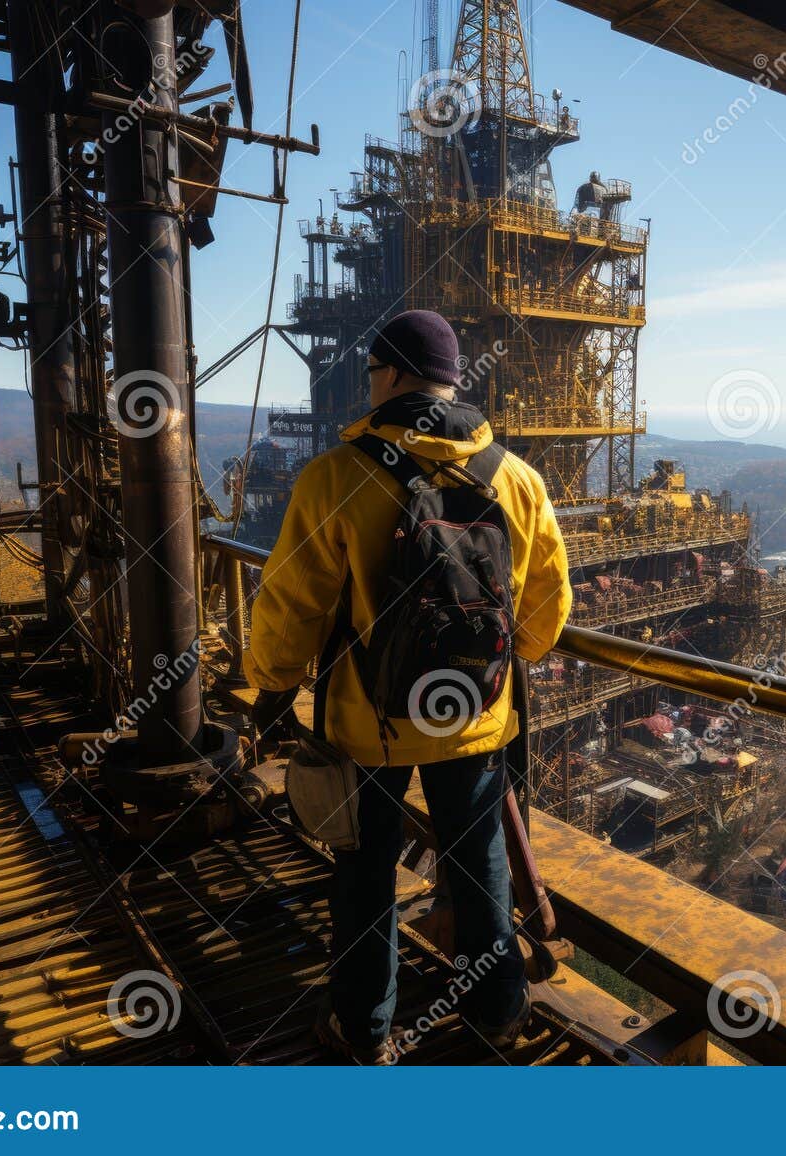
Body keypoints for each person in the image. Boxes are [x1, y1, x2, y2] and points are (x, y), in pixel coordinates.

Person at [244, 309, 572, 1065]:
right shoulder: (518, 480)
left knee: (365, 874)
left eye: (371, 372)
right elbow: (547, 613)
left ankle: (363, 1029)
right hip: (474, 715)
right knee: (480, 864)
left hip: (370, 724)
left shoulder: (335, 476)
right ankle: (497, 1012)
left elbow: (291, 607)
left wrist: (272, 682)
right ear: (453, 381)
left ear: (390, 375)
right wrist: (498, 663)